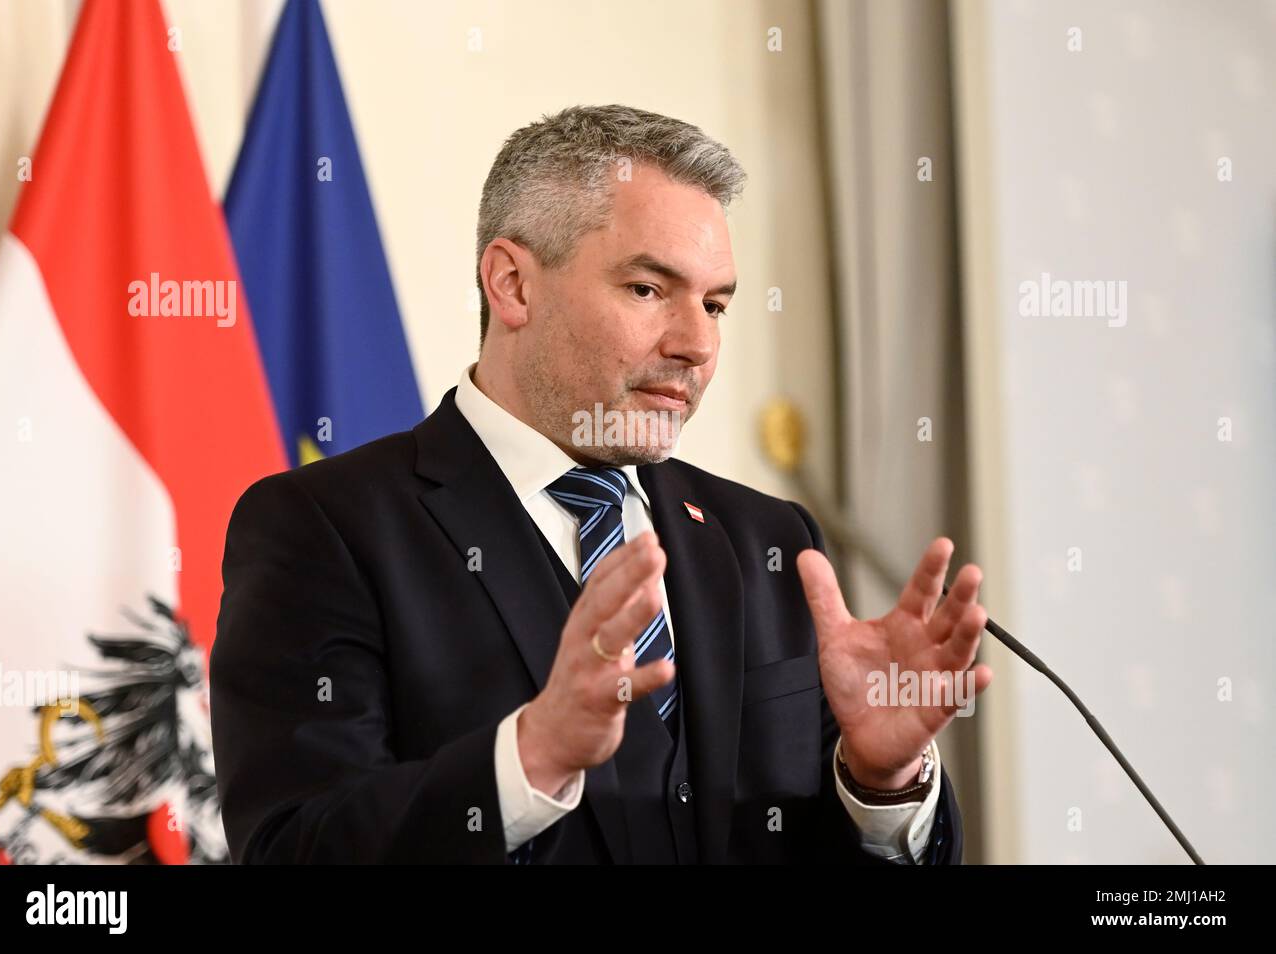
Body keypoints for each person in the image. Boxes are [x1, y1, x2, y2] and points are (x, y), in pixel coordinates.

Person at [210, 104, 992, 864]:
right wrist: (529, 760)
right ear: (512, 284)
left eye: (715, 304)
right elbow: (292, 846)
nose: (696, 344)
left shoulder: (771, 540)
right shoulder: (324, 527)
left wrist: (880, 781)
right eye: (648, 290)